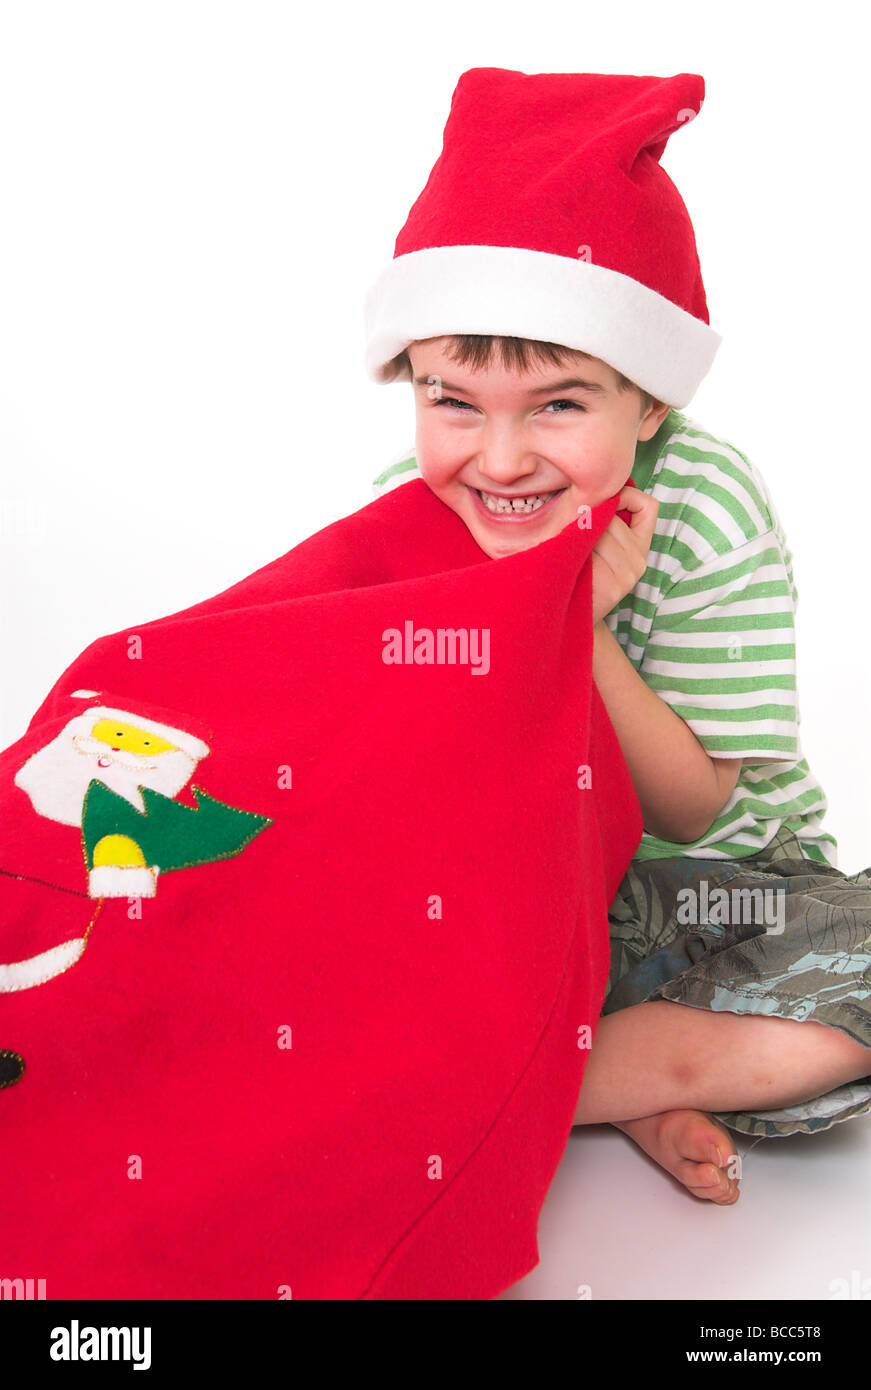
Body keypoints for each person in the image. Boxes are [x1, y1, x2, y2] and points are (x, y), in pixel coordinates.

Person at [363, 65, 871, 1205]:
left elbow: (690, 806)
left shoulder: (704, 505)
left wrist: (576, 625)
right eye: (453, 400)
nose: (498, 461)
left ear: (648, 405)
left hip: (713, 887)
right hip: (532, 891)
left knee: (860, 968)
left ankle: (545, 1084)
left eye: (557, 403)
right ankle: (640, 1076)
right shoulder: (415, 504)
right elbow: (420, 778)